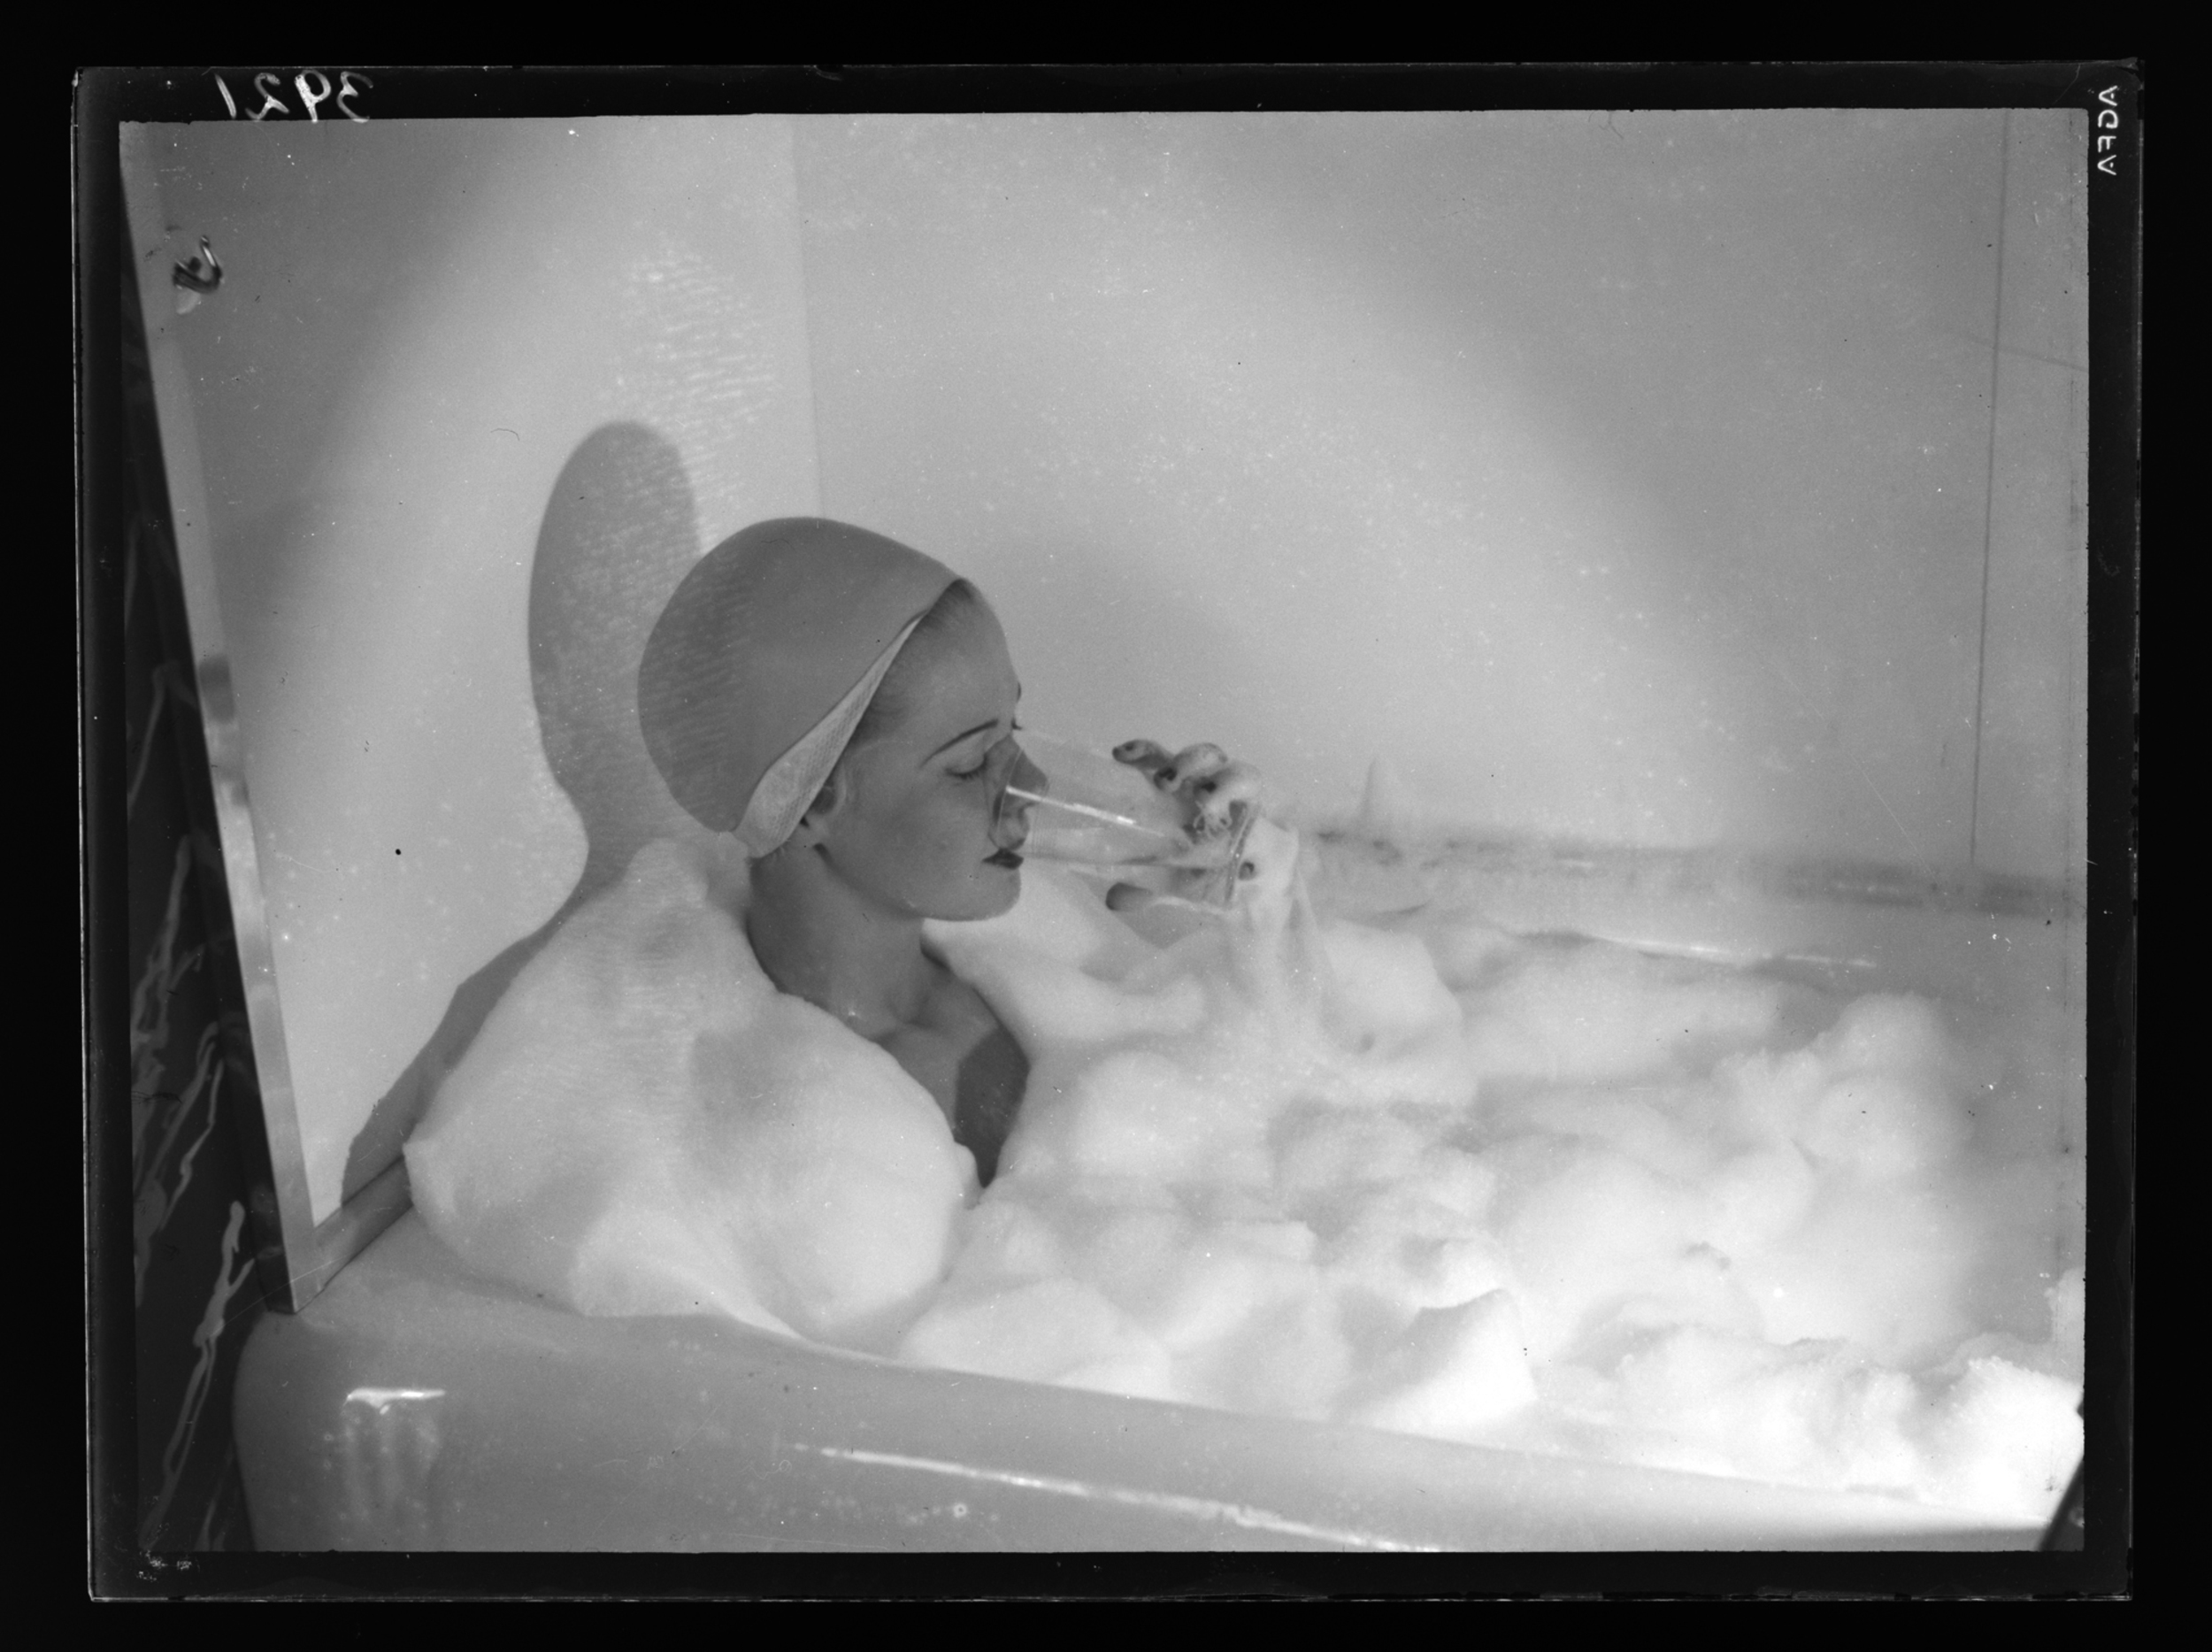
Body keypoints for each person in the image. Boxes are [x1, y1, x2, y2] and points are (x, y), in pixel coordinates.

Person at [635, 516, 1045, 1182]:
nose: (1035, 784)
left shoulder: (1034, 978)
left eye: (1015, 728)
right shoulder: (804, 1141)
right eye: (972, 763)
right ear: (812, 799)